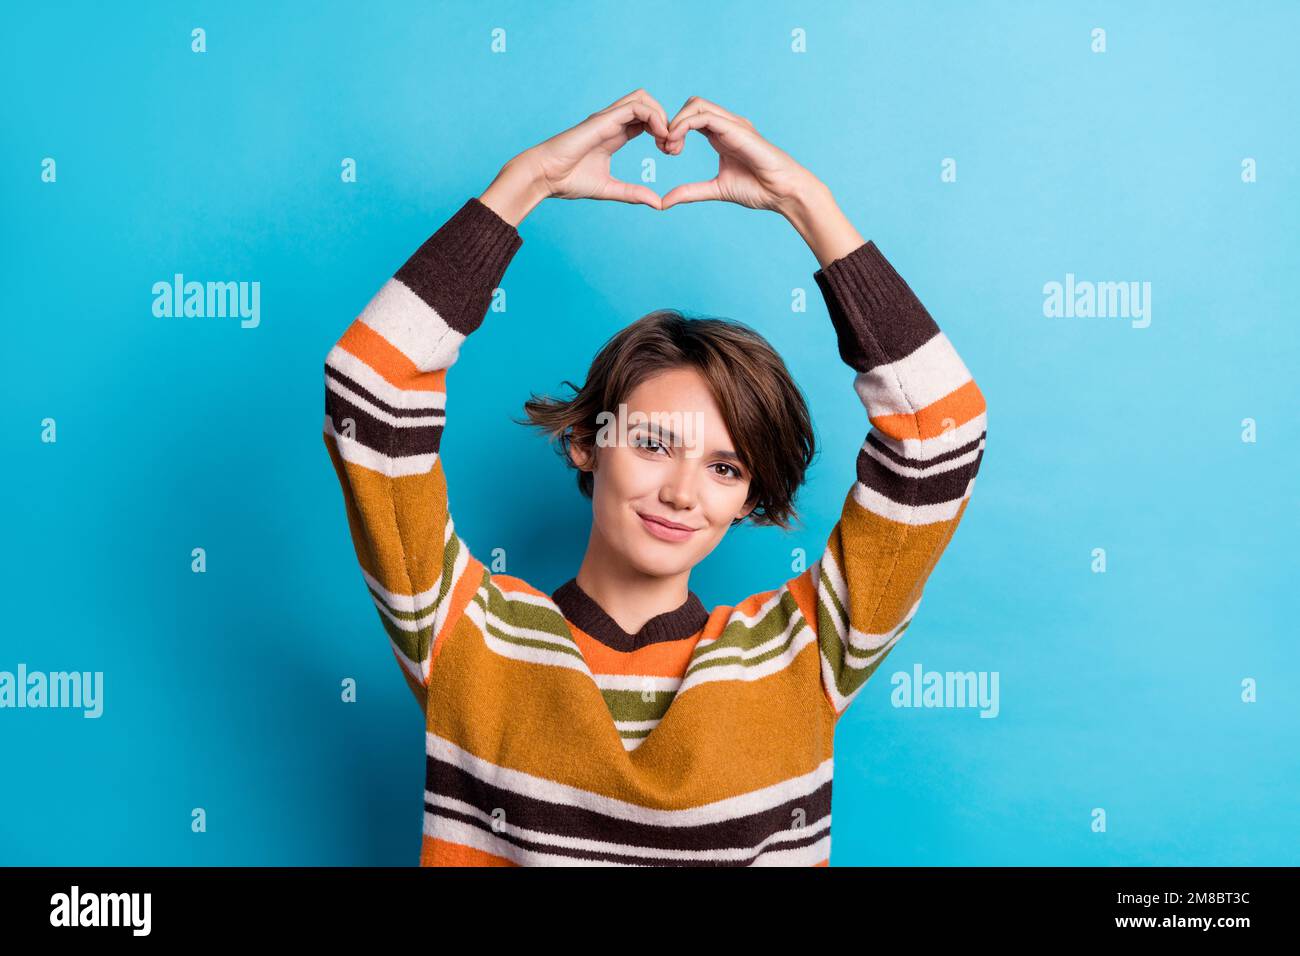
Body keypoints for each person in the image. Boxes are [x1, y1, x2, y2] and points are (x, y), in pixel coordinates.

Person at [322, 90, 988, 866]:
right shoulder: (463, 633)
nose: (681, 492)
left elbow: (939, 437)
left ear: (748, 496)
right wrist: (526, 182)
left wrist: (808, 204)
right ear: (584, 442)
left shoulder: (802, 653)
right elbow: (371, 391)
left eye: (724, 467)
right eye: (651, 444)